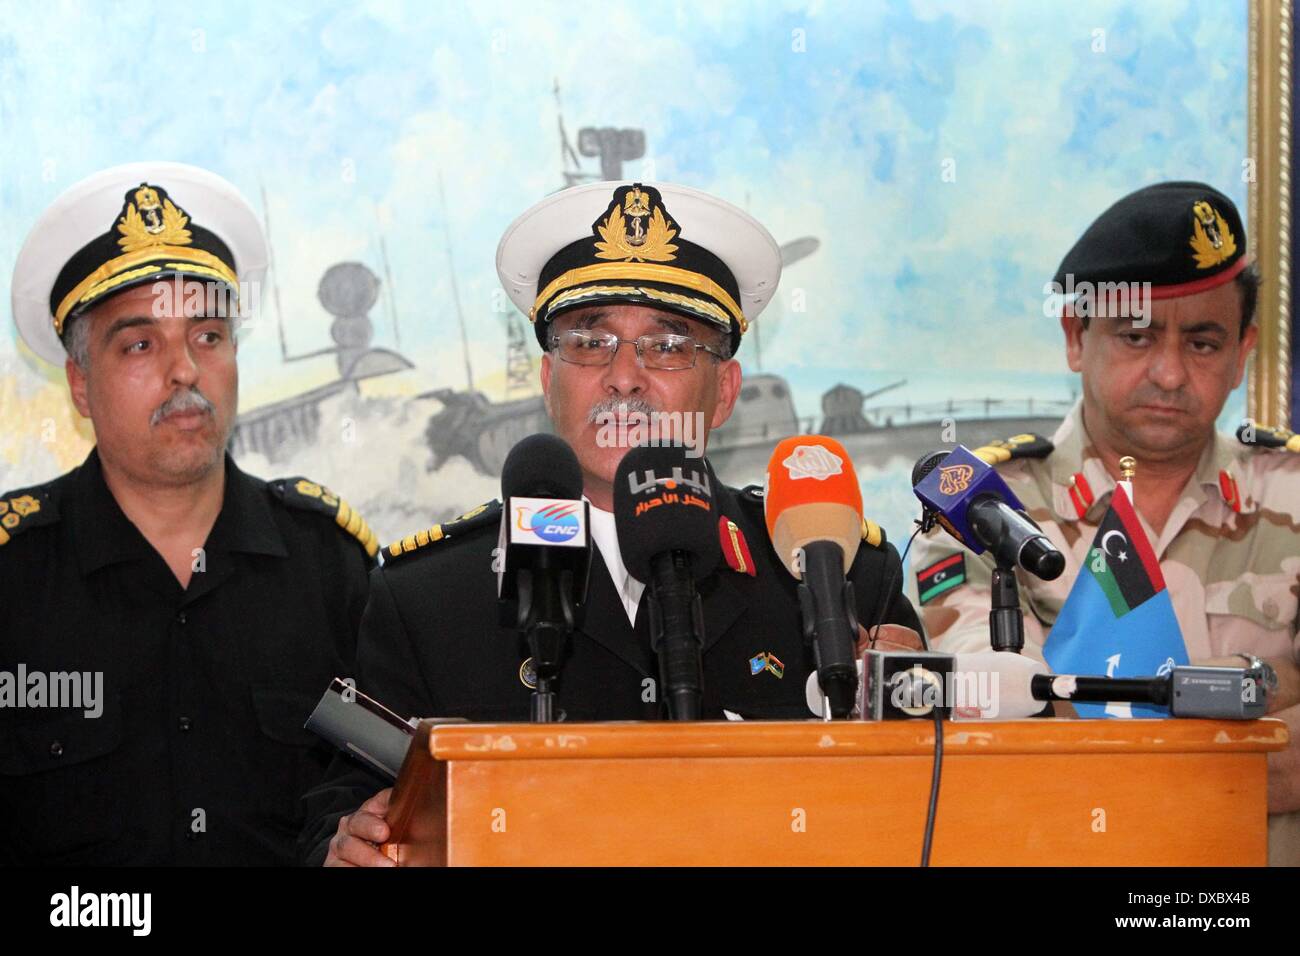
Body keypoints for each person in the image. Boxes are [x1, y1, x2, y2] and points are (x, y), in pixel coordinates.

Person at [304, 181, 923, 866]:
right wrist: (346, 845)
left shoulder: (832, 572)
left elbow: (924, 813)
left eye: (667, 345)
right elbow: (339, 814)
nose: (624, 377)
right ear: (548, 381)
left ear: (723, 392)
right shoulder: (429, 598)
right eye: (592, 342)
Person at [907, 181, 1300, 864]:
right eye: (1137, 336)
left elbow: (1067, 733)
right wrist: (1255, 693)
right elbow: (1007, 734)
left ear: (1244, 351)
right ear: (1075, 336)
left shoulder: (1292, 497)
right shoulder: (982, 508)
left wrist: (1096, 710)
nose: (1171, 373)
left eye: (1203, 343)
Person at [1, 163, 378, 864]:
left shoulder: (330, 569)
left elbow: (380, 798)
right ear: (80, 383)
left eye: (207, 337)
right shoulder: (14, 575)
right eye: (141, 344)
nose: (185, 372)